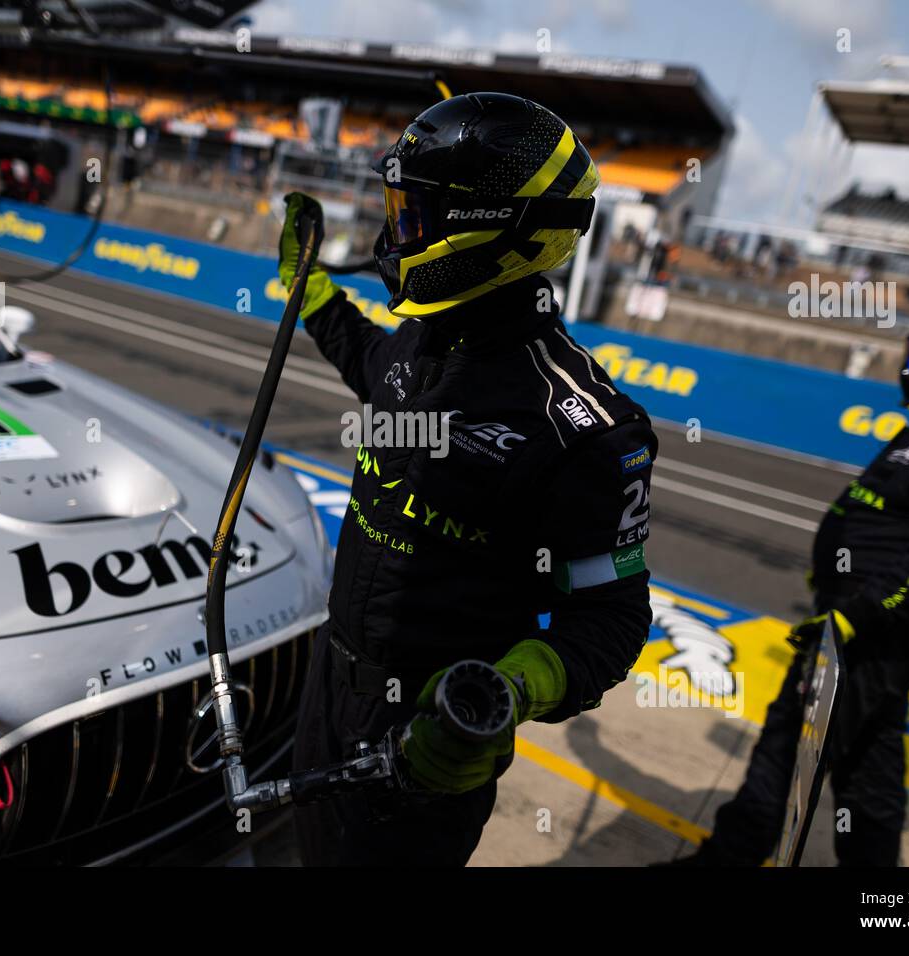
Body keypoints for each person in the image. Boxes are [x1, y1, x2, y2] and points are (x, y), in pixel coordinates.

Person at [281, 92, 658, 865]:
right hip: (328, 689)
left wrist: (503, 694)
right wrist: (311, 291)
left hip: (428, 740)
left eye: (416, 215)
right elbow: (369, 361)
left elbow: (612, 620)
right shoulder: (427, 340)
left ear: (488, 233)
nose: (397, 233)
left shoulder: (583, 427)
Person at [675, 301, 909, 867]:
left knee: (787, 750)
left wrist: (854, 615)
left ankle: (723, 864)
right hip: (867, 625)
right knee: (870, 765)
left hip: (873, 634)